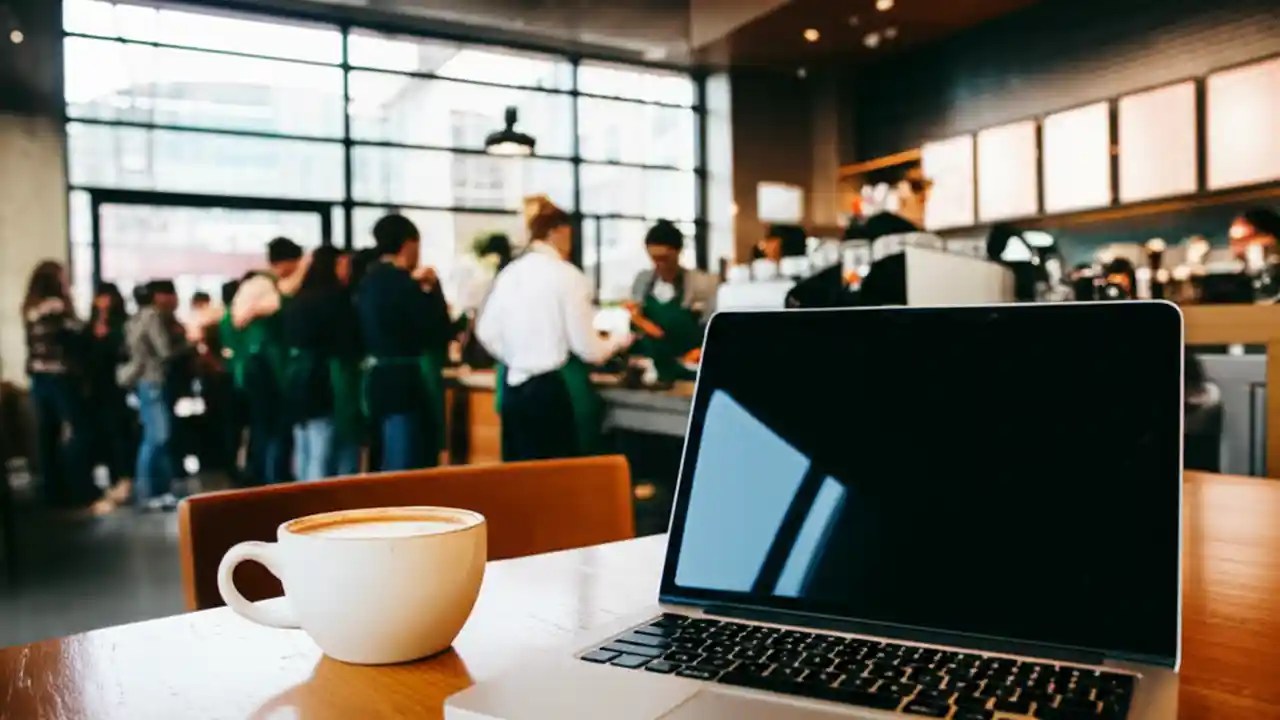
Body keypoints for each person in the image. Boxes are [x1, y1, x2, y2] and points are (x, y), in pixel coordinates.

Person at [477, 204, 627, 461]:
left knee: (519, 476)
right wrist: (618, 341)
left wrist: (518, 355)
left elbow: (486, 331)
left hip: (513, 392)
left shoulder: (510, 274)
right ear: (558, 231)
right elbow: (588, 349)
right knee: (557, 477)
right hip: (551, 391)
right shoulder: (568, 276)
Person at [356, 215, 452, 471]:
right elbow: (438, 332)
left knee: (381, 458)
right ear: (408, 244)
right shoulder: (406, 285)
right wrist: (433, 290)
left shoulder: (366, 282)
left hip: (375, 381)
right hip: (406, 383)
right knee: (405, 461)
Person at [22, 260, 99, 509]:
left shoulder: (30, 309)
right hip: (61, 377)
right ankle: (80, 489)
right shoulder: (56, 307)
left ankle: (52, 492)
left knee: (47, 435)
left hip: (38, 378)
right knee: (78, 431)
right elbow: (79, 334)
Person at [283, 247, 363, 480]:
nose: (347, 271)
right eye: (343, 265)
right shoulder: (337, 300)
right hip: (327, 384)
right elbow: (349, 344)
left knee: (305, 449)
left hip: (298, 382)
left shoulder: (297, 300)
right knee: (326, 452)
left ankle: (303, 497)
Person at [231, 237, 304, 484]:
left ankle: (262, 478)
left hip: (256, 368)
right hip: (267, 368)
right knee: (274, 429)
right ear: (285, 263)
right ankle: (273, 481)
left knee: (263, 428)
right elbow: (243, 317)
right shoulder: (265, 285)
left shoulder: (255, 284)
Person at [120, 280, 188, 511]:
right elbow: (164, 350)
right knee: (157, 437)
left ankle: (157, 490)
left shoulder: (134, 318)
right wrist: (187, 344)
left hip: (143, 382)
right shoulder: (152, 316)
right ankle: (151, 492)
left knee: (153, 436)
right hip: (154, 380)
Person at [627, 220, 718, 382]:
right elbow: (638, 324)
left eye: (664, 258)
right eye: (654, 258)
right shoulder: (642, 281)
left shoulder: (700, 284)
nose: (659, 264)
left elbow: (713, 330)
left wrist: (702, 351)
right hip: (651, 370)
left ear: (678, 252)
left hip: (688, 368)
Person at [85, 282, 134, 503]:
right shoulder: (89, 326)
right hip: (95, 388)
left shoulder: (121, 326)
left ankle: (122, 478)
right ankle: (112, 480)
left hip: (116, 387)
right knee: (102, 434)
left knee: (118, 432)